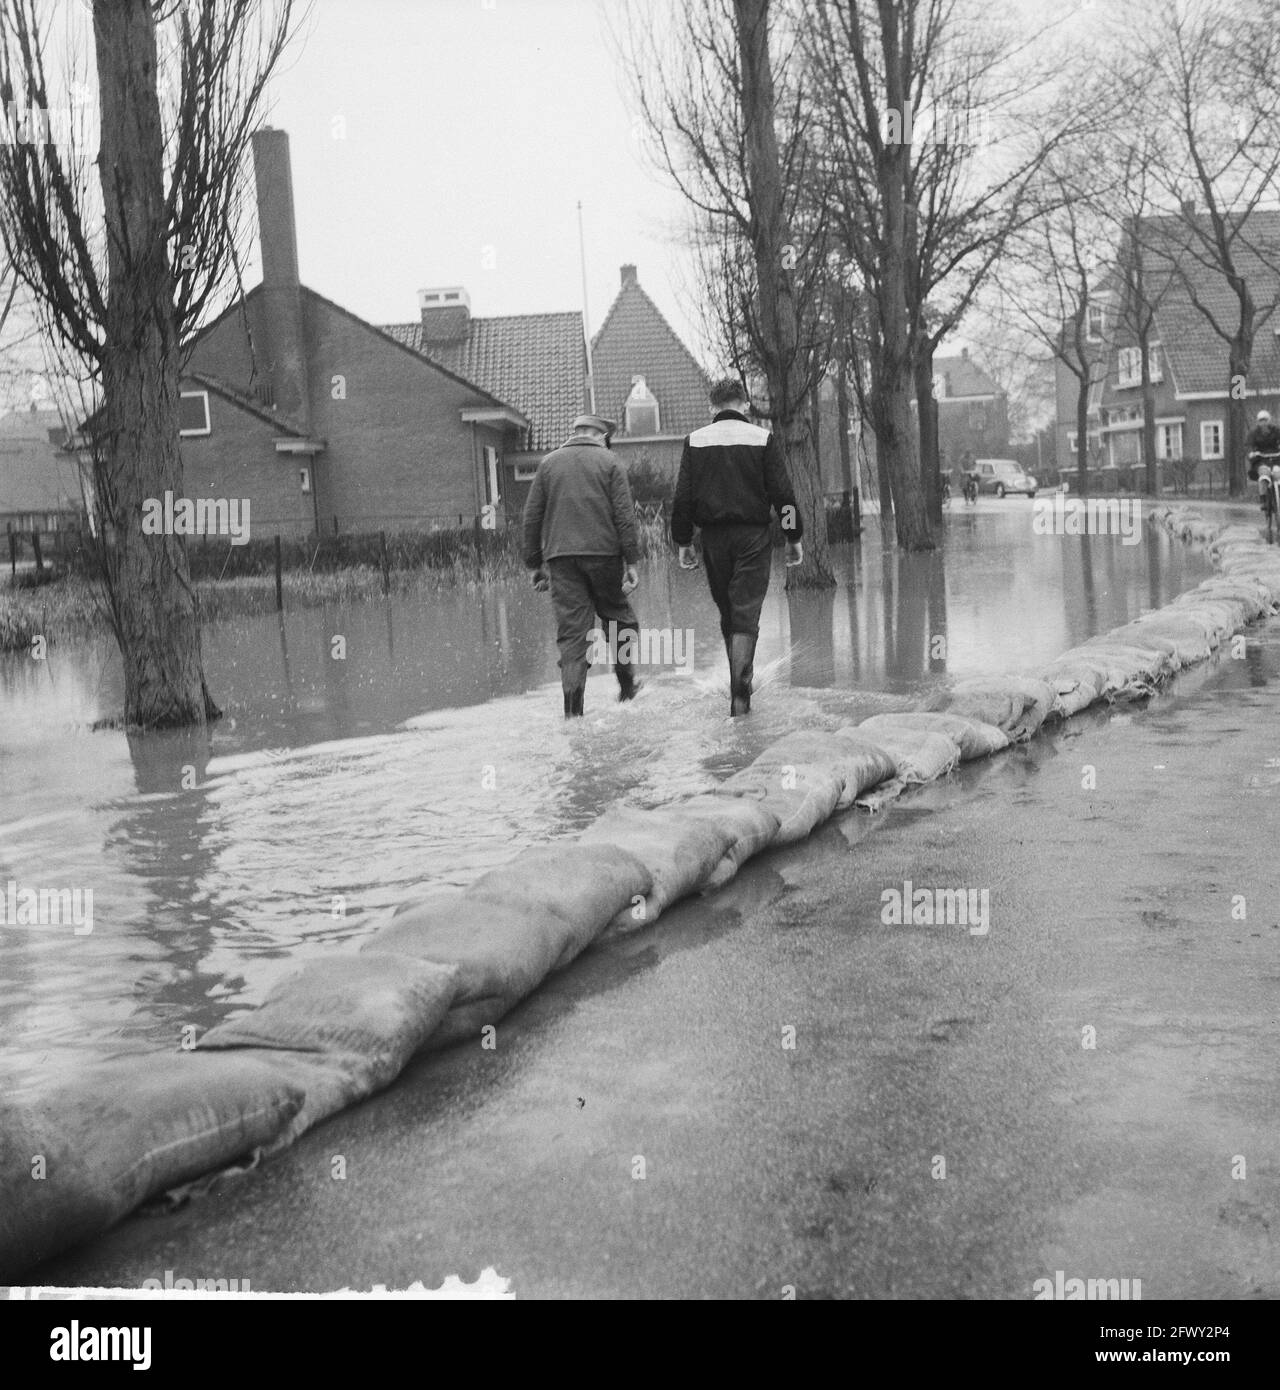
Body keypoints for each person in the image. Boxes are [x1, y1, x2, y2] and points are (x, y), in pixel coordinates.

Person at [671, 378, 803, 716]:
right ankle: (740, 695)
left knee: (729, 613)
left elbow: (682, 499)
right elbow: (784, 498)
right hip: (753, 536)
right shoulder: (763, 439)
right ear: (744, 404)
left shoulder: (695, 441)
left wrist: (683, 541)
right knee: (746, 612)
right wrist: (793, 537)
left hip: (712, 540)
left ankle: (738, 685)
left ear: (713, 407)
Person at [522, 413, 642, 717]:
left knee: (573, 634)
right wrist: (632, 561)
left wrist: (535, 563)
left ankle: (573, 714)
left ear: (576, 433)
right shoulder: (611, 463)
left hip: (561, 560)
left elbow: (532, 517)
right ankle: (627, 689)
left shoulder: (549, 464)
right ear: (601, 436)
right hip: (605, 556)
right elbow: (624, 517)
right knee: (619, 621)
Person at [1246, 409, 1280, 509]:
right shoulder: (1253, 433)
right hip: (1261, 459)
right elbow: (1248, 445)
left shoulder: (1276, 430)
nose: (1263, 423)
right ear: (1258, 422)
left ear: (1269, 420)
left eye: (1265, 420)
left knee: (1278, 472)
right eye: (1261, 420)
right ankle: (1264, 500)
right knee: (1264, 474)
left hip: (1276, 457)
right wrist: (1252, 453)